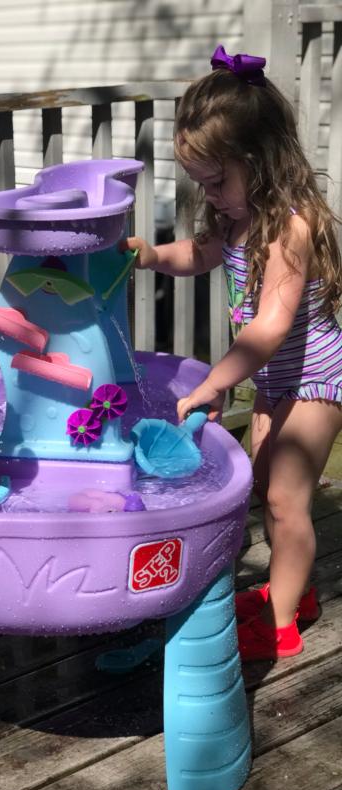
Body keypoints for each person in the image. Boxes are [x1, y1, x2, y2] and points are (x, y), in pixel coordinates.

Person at [122, 45, 342, 662]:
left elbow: (269, 326)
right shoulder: (237, 219)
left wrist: (217, 380)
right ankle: (293, 593)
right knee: (266, 486)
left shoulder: (291, 228)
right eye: (202, 184)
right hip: (275, 380)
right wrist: (151, 256)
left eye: (218, 181)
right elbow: (198, 254)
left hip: (316, 379)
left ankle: (281, 626)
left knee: (286, 499)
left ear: (260, 158)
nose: (211, 194)